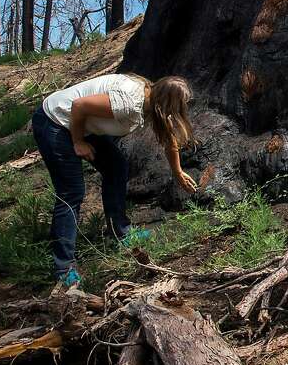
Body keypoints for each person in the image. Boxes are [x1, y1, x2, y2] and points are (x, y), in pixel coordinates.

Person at [32, 74, 198, 287]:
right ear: (167, 104)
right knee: (71, 193)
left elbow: (169, 140)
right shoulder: (129, 102)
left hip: (81, 122)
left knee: (116, 168)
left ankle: (121, 232)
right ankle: (64, 268)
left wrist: (178, 172)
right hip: (56, 122)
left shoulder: (152, 101)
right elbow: (79, 105)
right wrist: (78, 142)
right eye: (181, 106)